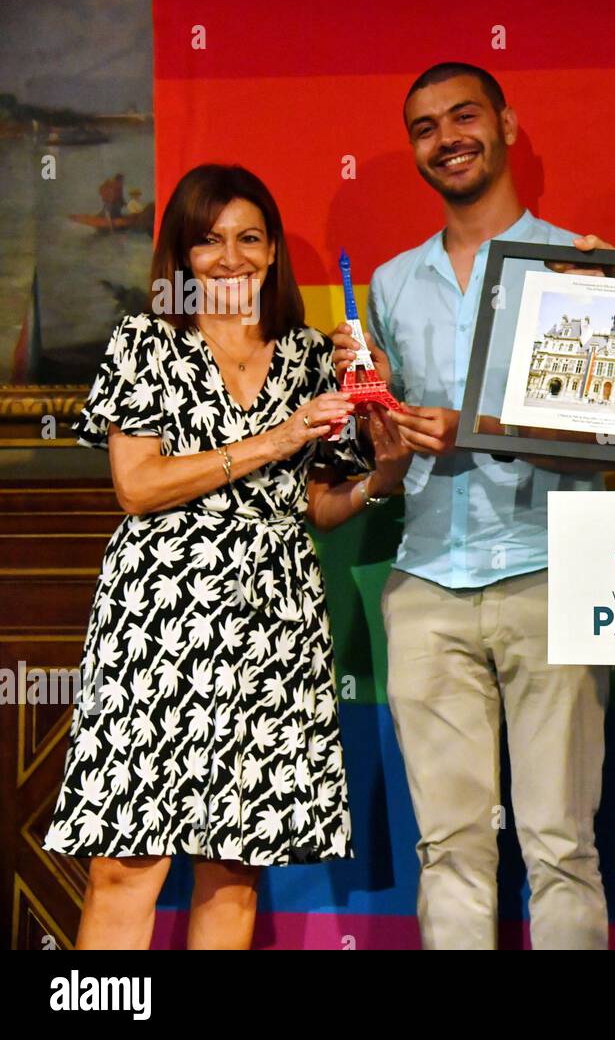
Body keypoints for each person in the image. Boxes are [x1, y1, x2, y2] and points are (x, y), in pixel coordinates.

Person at [43, 163, 409, 949]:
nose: (230, 257)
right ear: (180, 255)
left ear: (274, 251)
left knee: (235, 864)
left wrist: (387, 467)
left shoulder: (313, 355)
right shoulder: (145, 343)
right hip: (158, 621)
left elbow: (317, 506)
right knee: (125, 864)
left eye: (249, 238)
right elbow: (137, 488)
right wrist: (275, 438)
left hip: (274, 622)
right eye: (208, 241)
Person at [330, 63, 609, 950]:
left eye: (464, 116)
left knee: (562, 845)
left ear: (508, 124)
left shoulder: (580, 262)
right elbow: (385, 442)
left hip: (551, 571)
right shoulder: (389, 283)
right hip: (425, 582)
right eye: (425, 126)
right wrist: (385, 448)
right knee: (448, 846)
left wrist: (475, 429)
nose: (447, 137)